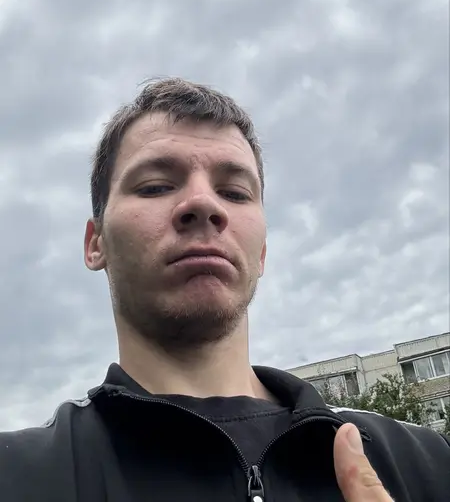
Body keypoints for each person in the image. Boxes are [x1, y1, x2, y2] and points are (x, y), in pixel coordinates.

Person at [0, 78, 448, 501]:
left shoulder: (424, 463)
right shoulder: (19, 475)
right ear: (95, 243)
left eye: (234, 192)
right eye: (156, 186)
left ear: (262, 253)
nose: (203, 203)